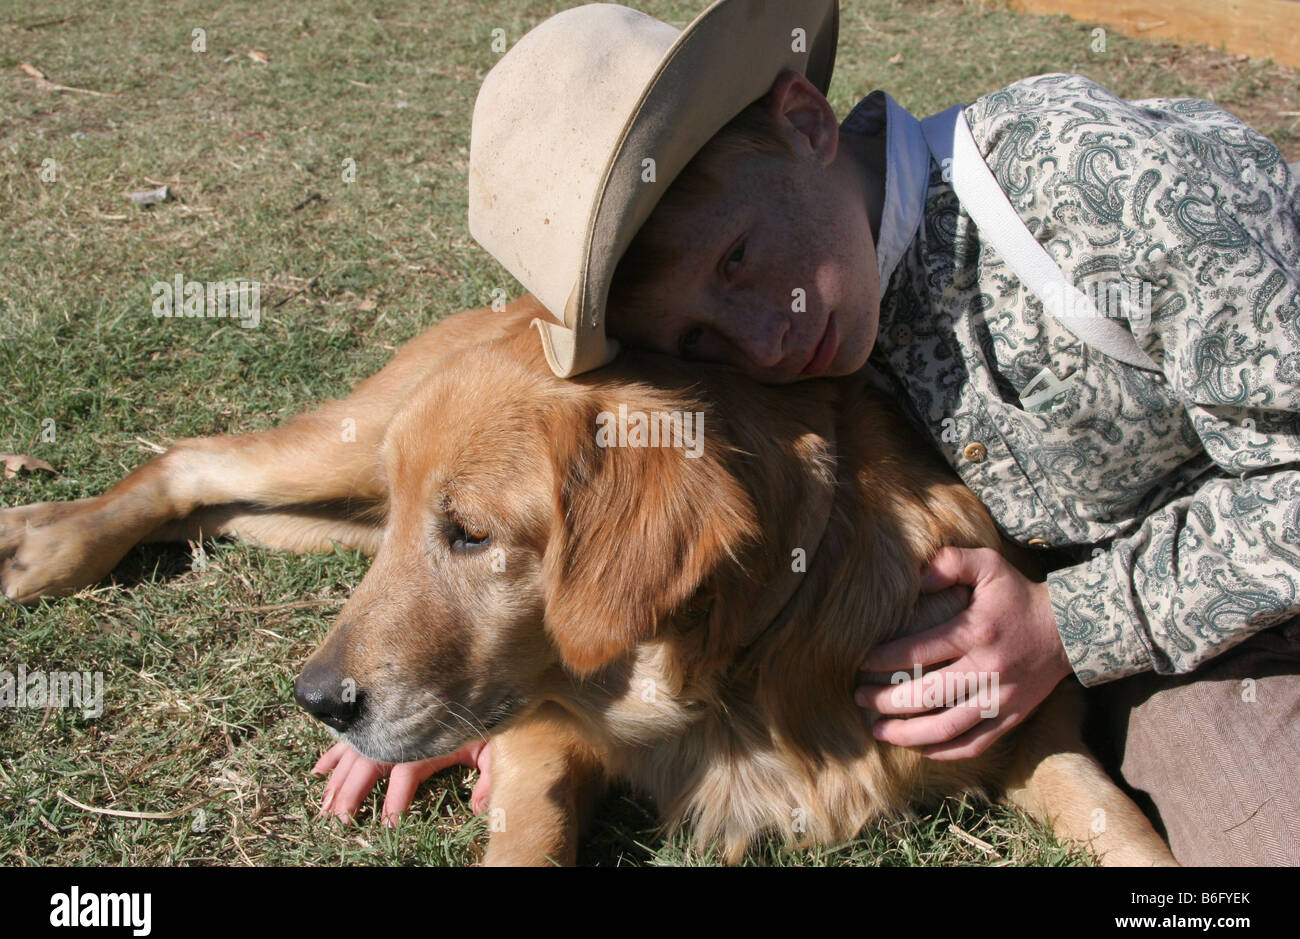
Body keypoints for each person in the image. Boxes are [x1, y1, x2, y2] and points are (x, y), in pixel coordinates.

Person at [315, 0, 1300, 864]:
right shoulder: (810, 327)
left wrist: (1067, 622)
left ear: (804, 119)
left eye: (740, 256)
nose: (763, 340)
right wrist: (487, 690)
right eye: (698, 333)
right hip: (1140, 649)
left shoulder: (1105, 188)